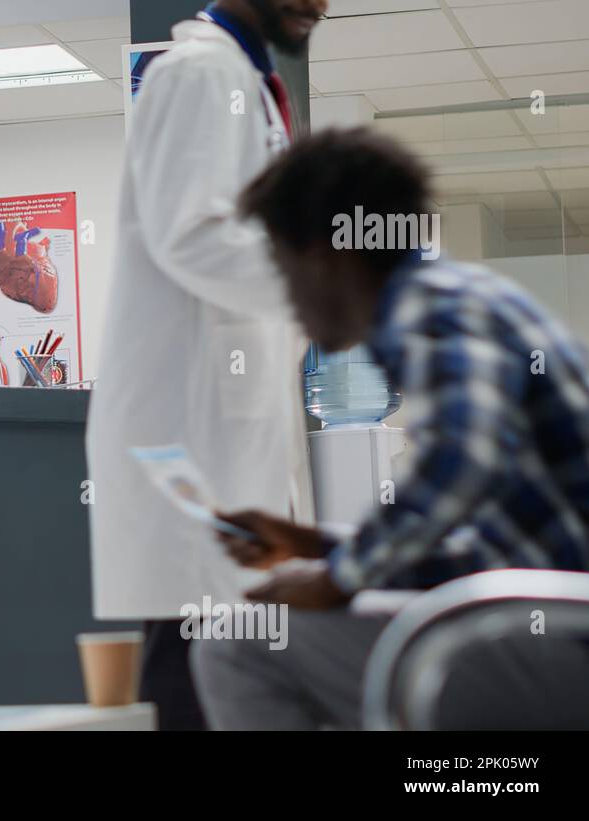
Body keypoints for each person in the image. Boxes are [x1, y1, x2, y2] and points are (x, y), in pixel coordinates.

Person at [192, 126, 589, 730]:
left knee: (242, 641)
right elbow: (476, 553)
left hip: (560, 641)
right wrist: (312, 544)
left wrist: (338, 577)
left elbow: (462, 462)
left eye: (281, 265)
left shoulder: (428, 307)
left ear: (325, 256)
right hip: (550, 625)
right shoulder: (466, 296)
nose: (284, 295)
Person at [85, 0, 327, 729]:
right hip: (188, 436)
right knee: (197, 674)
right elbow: (190, 232)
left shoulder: (245, 83)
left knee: (223, 662)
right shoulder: (196, 74)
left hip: (223, 436)